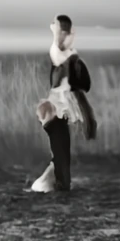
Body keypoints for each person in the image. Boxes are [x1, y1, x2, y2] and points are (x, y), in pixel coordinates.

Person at [30, 14, 97, 192]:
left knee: (60, 148)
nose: (51, 25)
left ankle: (60, 182)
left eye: (55, 24)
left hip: (60, 108)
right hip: (60, 108)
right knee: (60, 147)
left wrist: (61, 33)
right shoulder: (68, 55)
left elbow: (59, 50)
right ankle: (60, 181)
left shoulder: (62, 54)